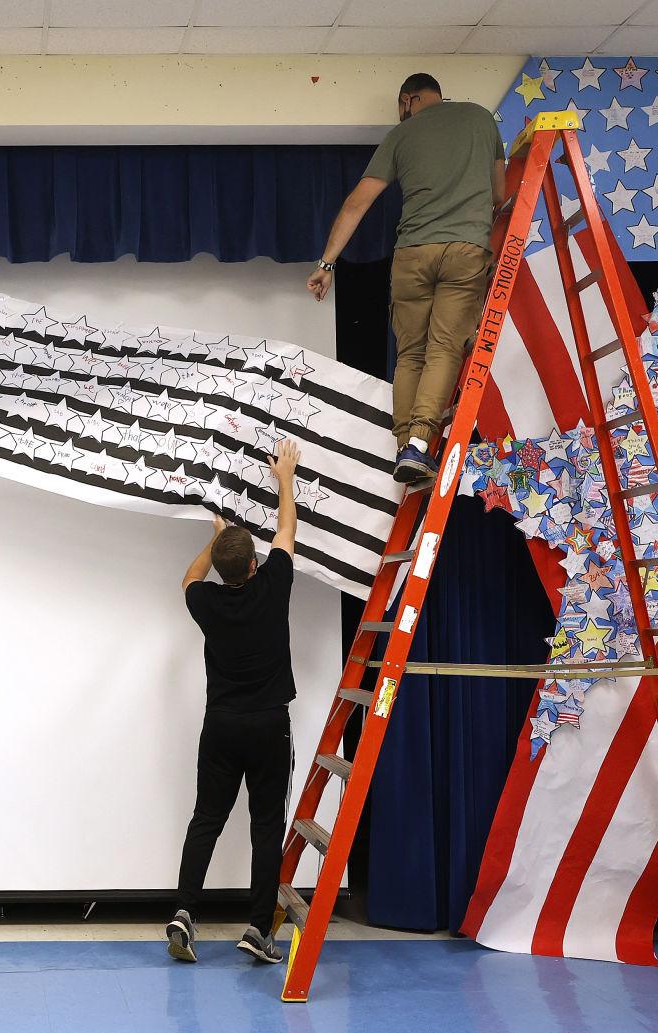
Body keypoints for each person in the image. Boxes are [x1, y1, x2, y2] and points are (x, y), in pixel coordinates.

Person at [306, 72, 505, 485]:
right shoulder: (481, 119)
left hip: (412, 253)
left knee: (411, 352)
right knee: (445, 347)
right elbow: (500, 194)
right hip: (465, 250)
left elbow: (357, 203)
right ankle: (418, 443)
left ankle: (404, 447)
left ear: (408, 99)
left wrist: (327, 264)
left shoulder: (401, 136)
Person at [165, 438, 301, 965]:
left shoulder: (208, 602)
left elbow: (189, 578)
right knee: (265, 827)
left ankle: (183, 913)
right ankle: (258, 929)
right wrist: (284, 478)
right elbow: (286, 531)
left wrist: (214, 539)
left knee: (206, 819)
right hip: (269, 725)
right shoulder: (274, 585)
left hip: (221, 725)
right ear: (254, 564)